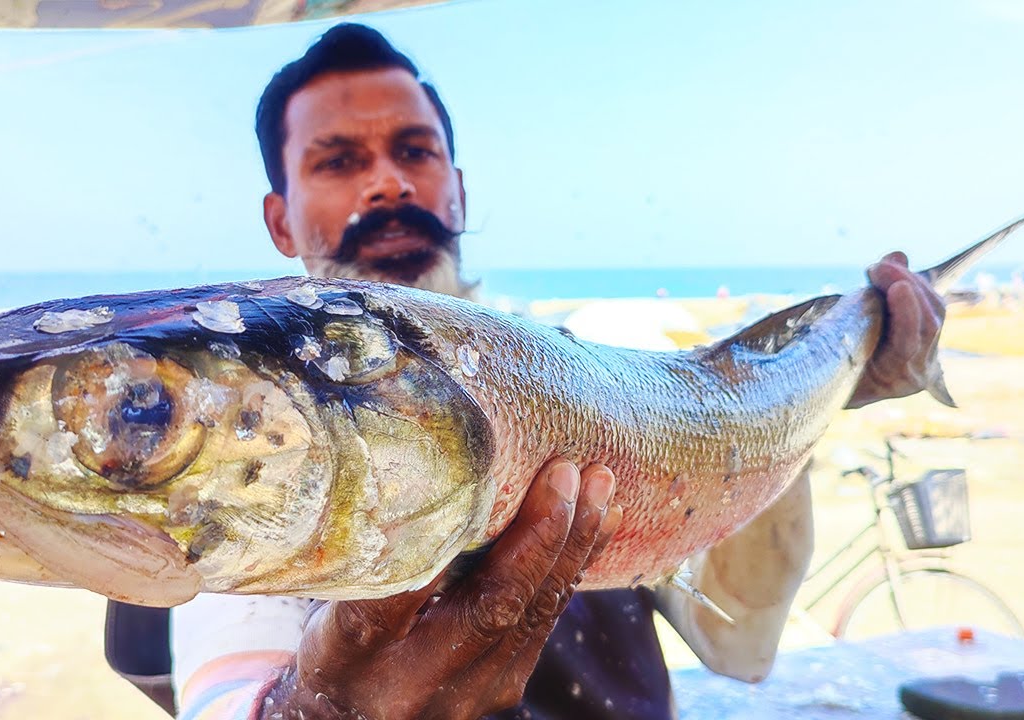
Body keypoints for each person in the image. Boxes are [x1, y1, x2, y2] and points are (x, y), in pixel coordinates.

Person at [106, 23, 947, 720]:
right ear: (281, 221)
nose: (389, 182)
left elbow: (742, 644)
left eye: (414, 151)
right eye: (337, 162)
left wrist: (839, 385)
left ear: (459, 193)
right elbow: (230, 680)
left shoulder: (599, 375)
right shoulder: (262, 456)